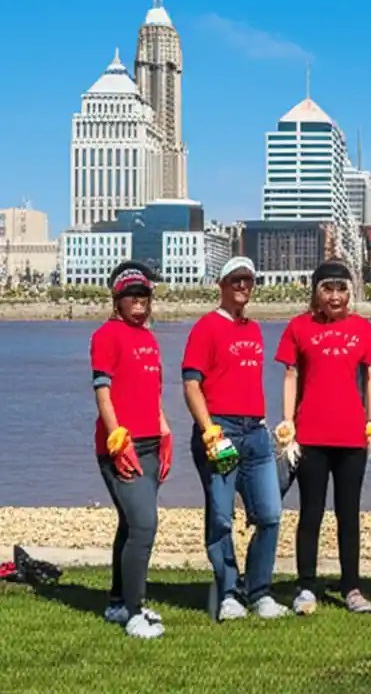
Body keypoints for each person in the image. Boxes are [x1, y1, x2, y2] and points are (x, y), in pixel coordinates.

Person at [182, 256, 288, 622]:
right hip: (220, 431)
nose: (243, 286)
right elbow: (191, 384)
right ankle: (228, 591)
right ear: (222, 285)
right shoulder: (206, 328)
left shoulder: (255, 329)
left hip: (256, 433)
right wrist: (208, 429)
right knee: (222, 518)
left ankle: (259, 592)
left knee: (270, 514)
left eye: (248, 281)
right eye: (236, 280)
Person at [274, 260, 371, 615]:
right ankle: (306, 586)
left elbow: (370, 378)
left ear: (350, 294)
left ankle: (352, 586)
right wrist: (288, 427)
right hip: (311, 436)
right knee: (311, 512)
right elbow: (290, 376)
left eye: (341, 289)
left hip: (352, 437)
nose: (335, 296)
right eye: (328, 289)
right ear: (316, 293)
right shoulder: (299, 327)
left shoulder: (362, 328)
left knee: (349, 514)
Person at [91, 261, 171, 638]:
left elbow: (152, 392)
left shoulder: (150, 339)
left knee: (128, 524)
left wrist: (165, 430)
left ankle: (117, 602)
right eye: (130, 297)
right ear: (117, 299)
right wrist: (117, 437)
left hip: (152, 443)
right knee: (144, 525)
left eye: (143, 296)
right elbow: (103, 394)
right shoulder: (107, 335)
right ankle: (135, 611)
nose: (138, 303)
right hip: (121, 445)